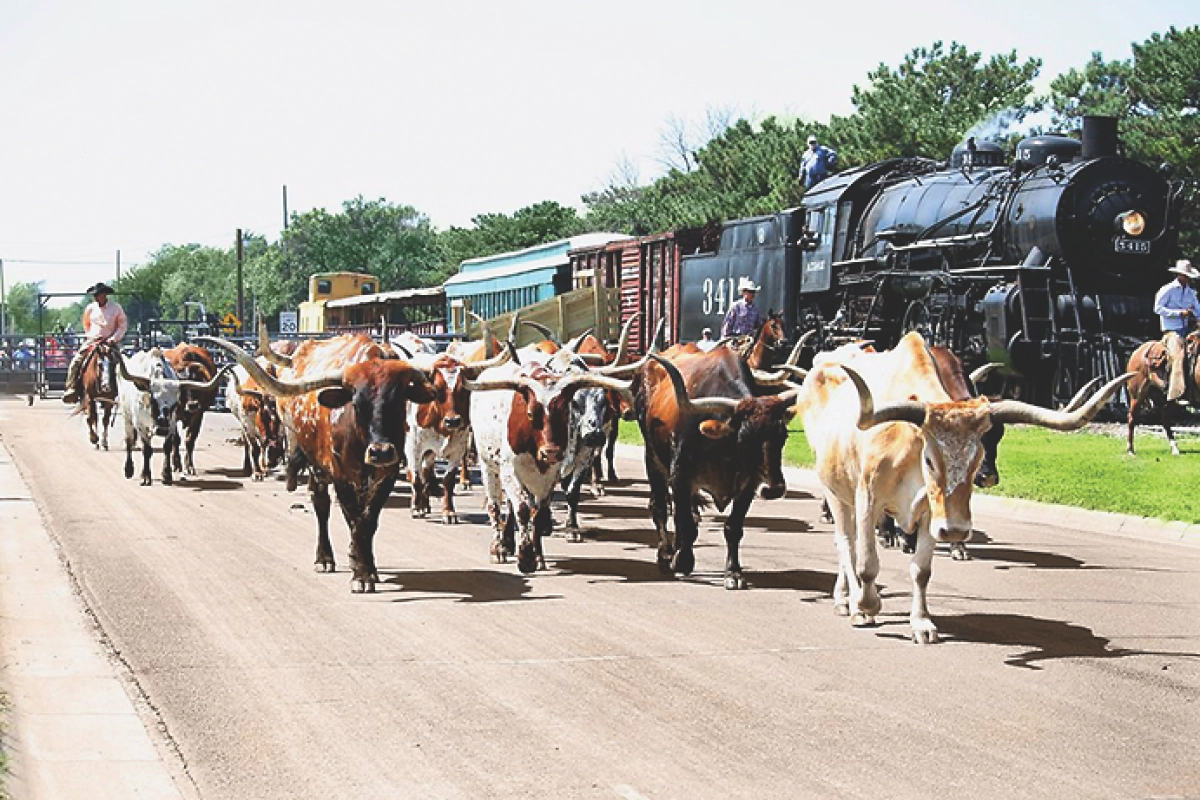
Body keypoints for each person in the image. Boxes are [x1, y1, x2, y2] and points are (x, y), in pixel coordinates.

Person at [62, 282, 128, 404]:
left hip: (111, 341)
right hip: (93, 341)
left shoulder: (116, 308)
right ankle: (71, 387)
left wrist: (113, 338)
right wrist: (91, 337)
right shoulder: (90, 308)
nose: (96, 297)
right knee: (76, 361)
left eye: (98, 294)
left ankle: (127, 390)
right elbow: (86, 324)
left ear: (104, 295)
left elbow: (122, 325)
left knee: (124, 363)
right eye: (95, 295)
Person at [1153, 259, 1200, 401]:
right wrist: (1179, 313)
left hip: (1187, 330)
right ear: (1179, 275)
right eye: (1185, 276)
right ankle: (1175, 393)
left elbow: (1198, 310)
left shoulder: (1191, 293)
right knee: (1178, 356)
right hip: (1171, 331)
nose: (1187, 279)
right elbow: (1157, 308)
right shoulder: (1167, 290)